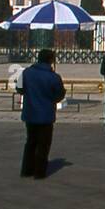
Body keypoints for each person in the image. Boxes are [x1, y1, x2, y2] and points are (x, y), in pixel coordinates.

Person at [19, 49, 66, 180]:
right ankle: (39, 171)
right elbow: (59, 94)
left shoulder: (26, 73)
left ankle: (27, 169)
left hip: (30, 112)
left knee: (30, 142)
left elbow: (19, 89)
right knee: (43, 144)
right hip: (46, 114)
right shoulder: (54, 77)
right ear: (51, 60)